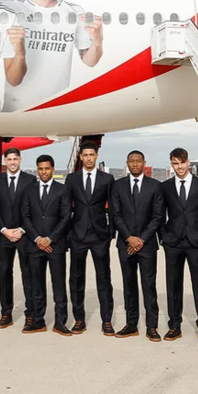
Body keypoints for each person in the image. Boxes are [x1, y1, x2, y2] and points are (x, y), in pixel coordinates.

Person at [3, 0, 103, 112]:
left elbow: (90, 62)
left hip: (56, 101)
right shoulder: (7, 6)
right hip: (14, 102)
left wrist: (97, 40)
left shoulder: (74, 11)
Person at [161, 147, 198, 342]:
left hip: (196, 241)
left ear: (188, 162)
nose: (179, 167)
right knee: (173, 284)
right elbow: (160, 214)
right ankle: (174, 325)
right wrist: (163, 237)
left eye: (182, 163)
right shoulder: (165, 187)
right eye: (175, 163)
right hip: (173, 242)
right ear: (172, 164)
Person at [111, 150, 164, 341]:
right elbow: (115, 215)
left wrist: (140, 239)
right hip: (125, 245)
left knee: (149, 285)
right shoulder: (117, 186)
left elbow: (158, 216)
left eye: (138, 161)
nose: (135, 164)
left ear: (144, 163)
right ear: (127, 163)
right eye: (131, 161)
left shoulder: (155, 186)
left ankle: (152, 326)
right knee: (129, 285)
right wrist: (129, 238)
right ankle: (131, 324)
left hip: (147, 245)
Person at [67, 141, 115, 335]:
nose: (88, 158)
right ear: (80, 157)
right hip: (77, 234)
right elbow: (65, 207)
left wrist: (111, 232)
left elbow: (113, 206)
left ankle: (107, 320)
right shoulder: (72, 179)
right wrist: (68, 232)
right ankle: (79, 319)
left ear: (96, 157)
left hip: (99, 235)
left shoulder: (107, 179)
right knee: (76, 279)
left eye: (91, 155)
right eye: (85, 155)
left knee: (103, 278)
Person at [21, 154, 72, 335]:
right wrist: (37, 239)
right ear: (37, 170)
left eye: (47, 168)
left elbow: (66, 217)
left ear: (52, 168)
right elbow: (25, 216)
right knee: (37, 285)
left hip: (55, 245)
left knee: (58, 284)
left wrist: (50, 239)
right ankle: (38, 320)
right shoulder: (30, 190)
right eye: (40, 169)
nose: (44, 172)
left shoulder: (62, 190)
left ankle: (60, 322)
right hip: (35, 246)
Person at [0, 146, 36, 329]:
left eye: (15, 159)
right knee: (4, 275)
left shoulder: (31, 180)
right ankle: (6, 313)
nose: (12, 162)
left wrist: (22, 230)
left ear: (20, 160)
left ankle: (31, 314)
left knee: (28, 275)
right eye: (9, 159)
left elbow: (34, 208)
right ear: (5, 161)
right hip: (4, 236)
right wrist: (3, 229)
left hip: (24, 235)